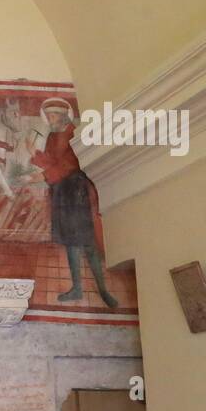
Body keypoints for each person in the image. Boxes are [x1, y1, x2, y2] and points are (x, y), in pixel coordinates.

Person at [30, 98, 118, 307]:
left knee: (87, 242)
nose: (50, 120)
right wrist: (36, 154)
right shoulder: (52, 136)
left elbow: (70, 163)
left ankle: (103, 290)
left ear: (62, 116)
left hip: (76, 192)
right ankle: (77, 288)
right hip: (61, 193)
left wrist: (43, 176)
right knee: (70, 243)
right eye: (49, 116)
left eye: (53, 116)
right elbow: (53, 162)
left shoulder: (74, 134)